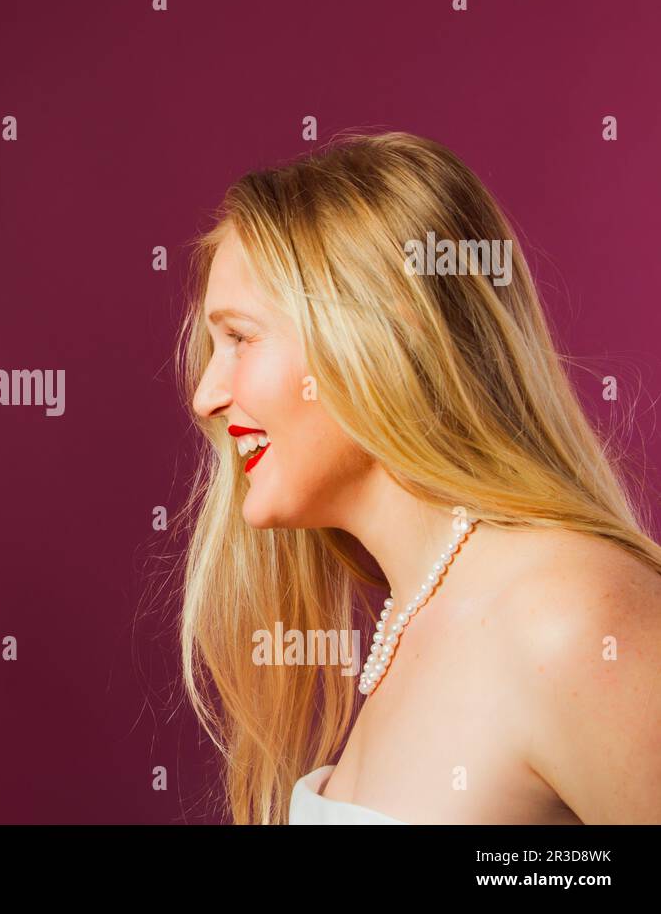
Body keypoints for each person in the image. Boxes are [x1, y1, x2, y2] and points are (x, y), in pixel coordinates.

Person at [175, 131, 661, 824]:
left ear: (387, 339)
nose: (207, 396)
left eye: (241, 338)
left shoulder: (565, 619)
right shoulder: (411, 625)